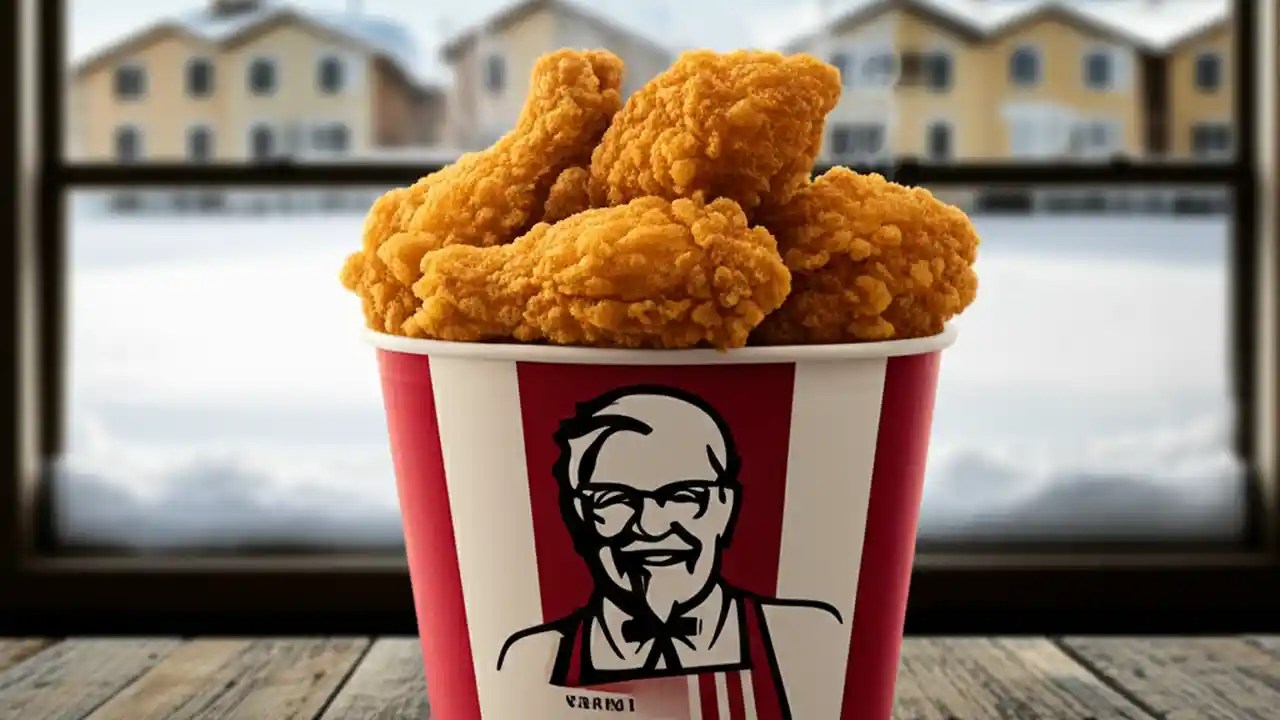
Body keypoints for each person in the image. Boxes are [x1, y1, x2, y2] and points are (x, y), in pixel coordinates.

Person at [498, 385, 841, 714]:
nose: (652, 526)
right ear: (581, 515)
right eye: (616, 499)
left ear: (725, 506)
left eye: (683, 497)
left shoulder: (805, 635)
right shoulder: (533, 656)